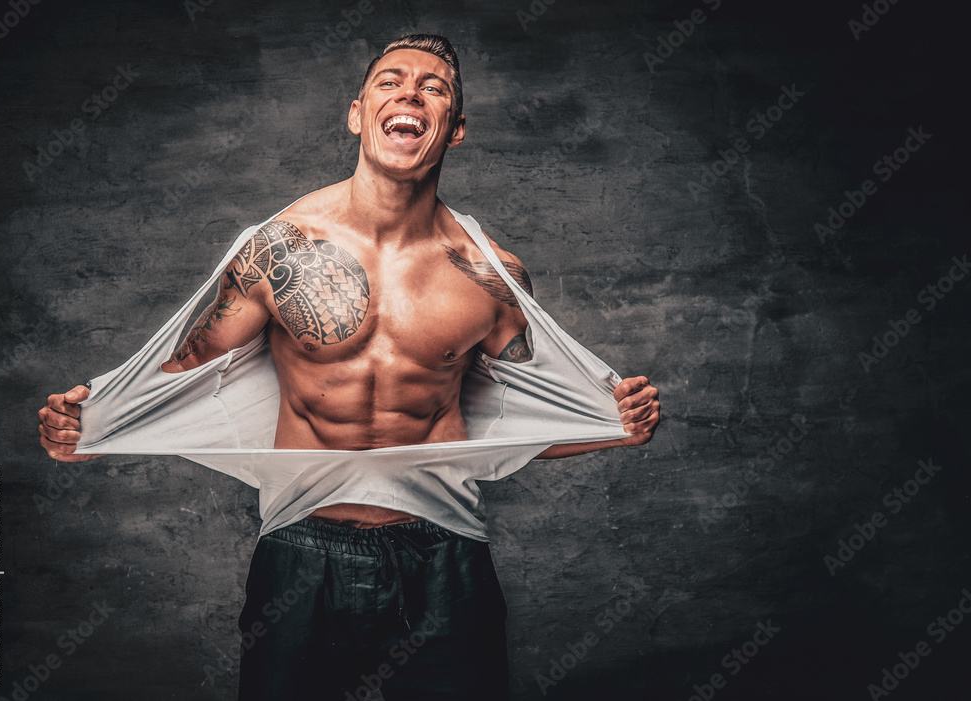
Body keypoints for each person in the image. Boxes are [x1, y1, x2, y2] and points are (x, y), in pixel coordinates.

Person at [38, 34, 660, 700]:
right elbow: (183, 370)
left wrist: (612, 425)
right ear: (358, 113)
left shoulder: (490, 274)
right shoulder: (277, 249)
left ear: (455, 129)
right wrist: (92, 419)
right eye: (390, 81)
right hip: (301, 551)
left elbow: (522, 419)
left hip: (444, 552)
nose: (411, 93)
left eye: (434, 87)